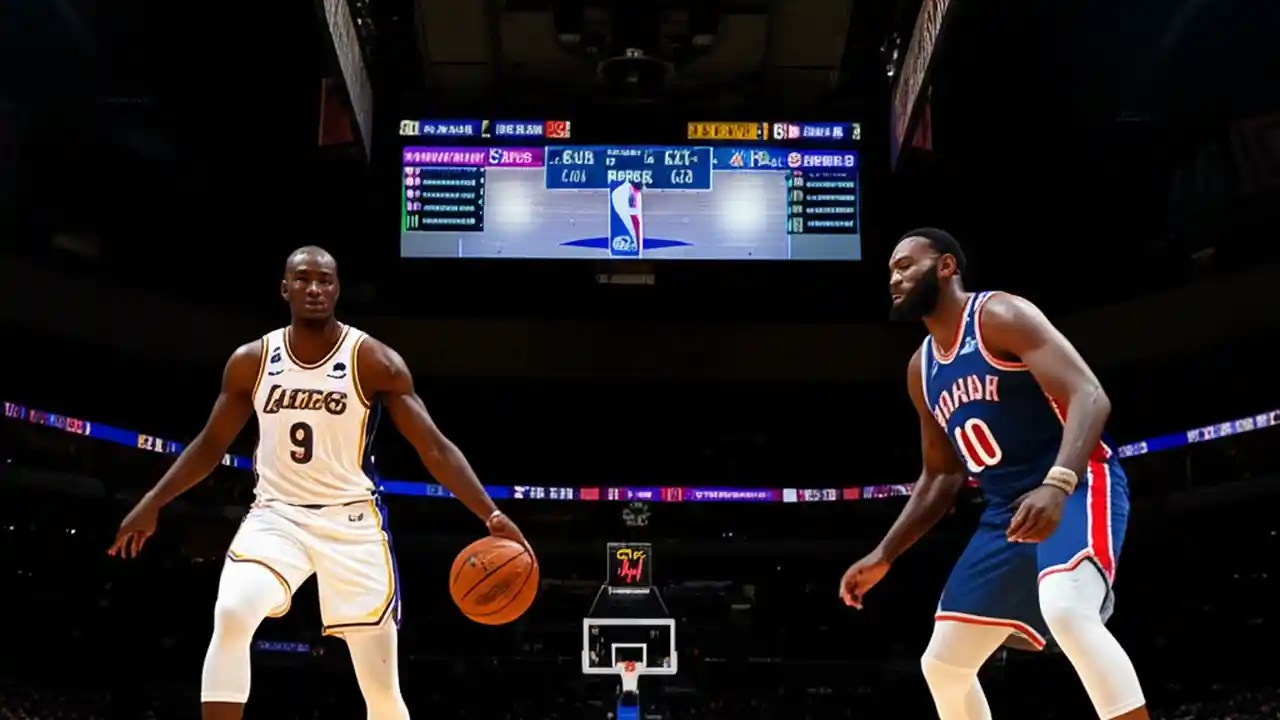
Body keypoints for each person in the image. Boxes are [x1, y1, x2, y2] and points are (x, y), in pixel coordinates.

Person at [109, 246, 530, 720]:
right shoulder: (251, 361)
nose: (315, 288)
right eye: (304, 279)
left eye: (325, 281)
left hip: (351, 525)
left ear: (337, 289)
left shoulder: (373, 361)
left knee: (381, 689)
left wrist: (490, 513)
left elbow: (433, 447)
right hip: (276, 517)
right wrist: (153, 500)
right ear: (284, 288)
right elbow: (210, 445)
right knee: (231, 614)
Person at [838, 229, 1148, 719]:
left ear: (945, 266)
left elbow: (1090, 395)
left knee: (1067, 610)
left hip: (1075, 482)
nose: (894, 278)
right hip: (1007, 513)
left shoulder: (998, 315)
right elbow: (941, 477)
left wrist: (1057, 483)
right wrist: (884, 554)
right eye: (891, 271)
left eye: (905, 265)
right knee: (943, 664)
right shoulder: (921, 369)